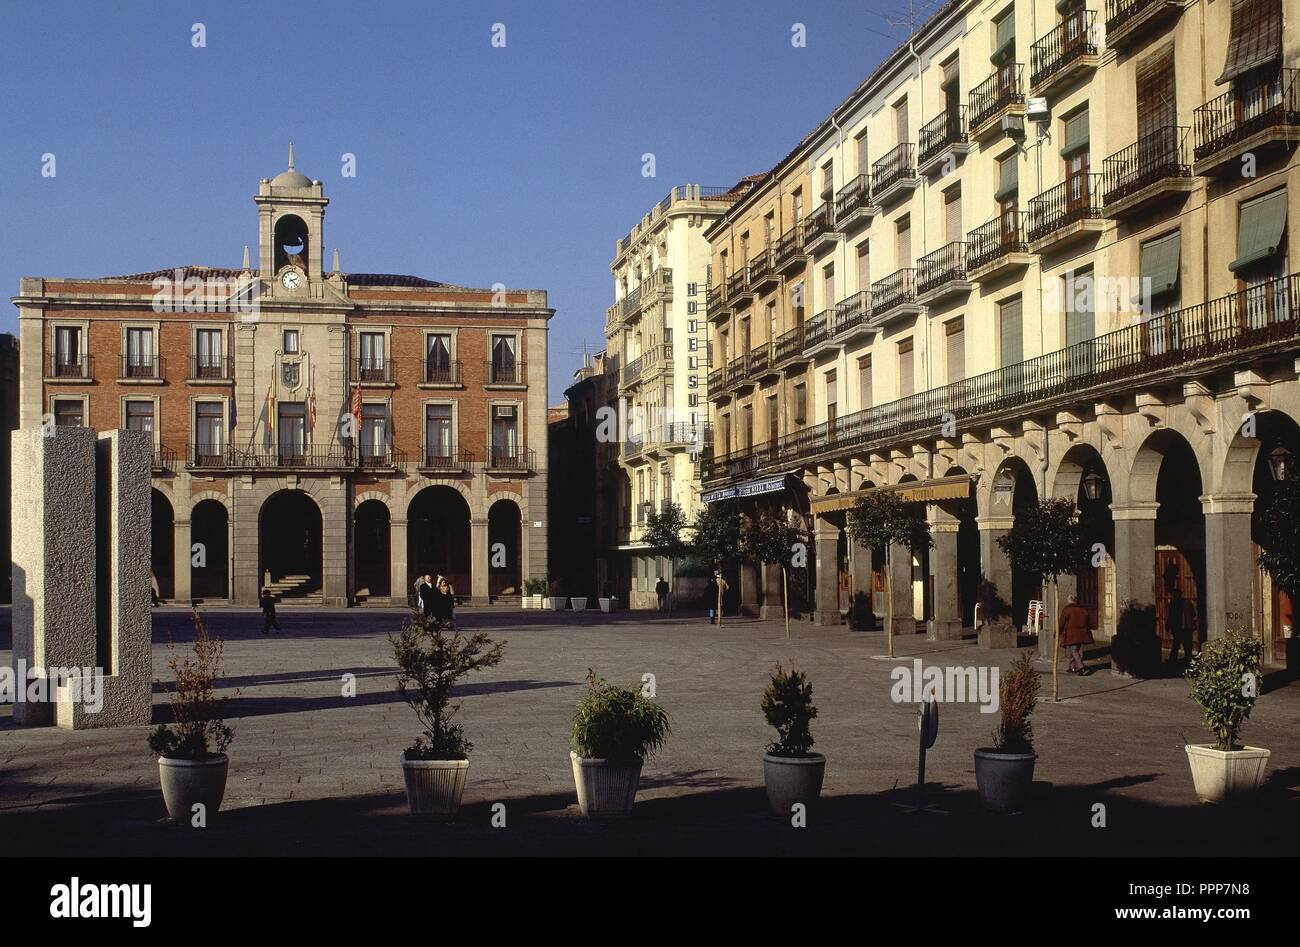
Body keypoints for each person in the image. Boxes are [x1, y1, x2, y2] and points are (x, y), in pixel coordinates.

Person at [1058, 593, 1093, 674]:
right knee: (1075, 650)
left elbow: (1061, 622)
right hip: (1082, 633)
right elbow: (1089, 622)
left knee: (1074, 650)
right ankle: (1072, 667)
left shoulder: (1067, 610)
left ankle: (1081, 667)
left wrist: (1058, 632)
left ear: (1069, 601)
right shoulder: (1083, 610)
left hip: (1072, 633)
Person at [1167, 587, 1196, 665]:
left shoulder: (1173, 604)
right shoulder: (1188, 603)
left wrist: (1168, 626)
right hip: (1187, 627)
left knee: (1176, 645)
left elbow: (1170, 616)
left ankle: (1172, 660)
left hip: (1178, 628)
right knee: (1187, 645)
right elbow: (1194, 614)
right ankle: (1188, 660)